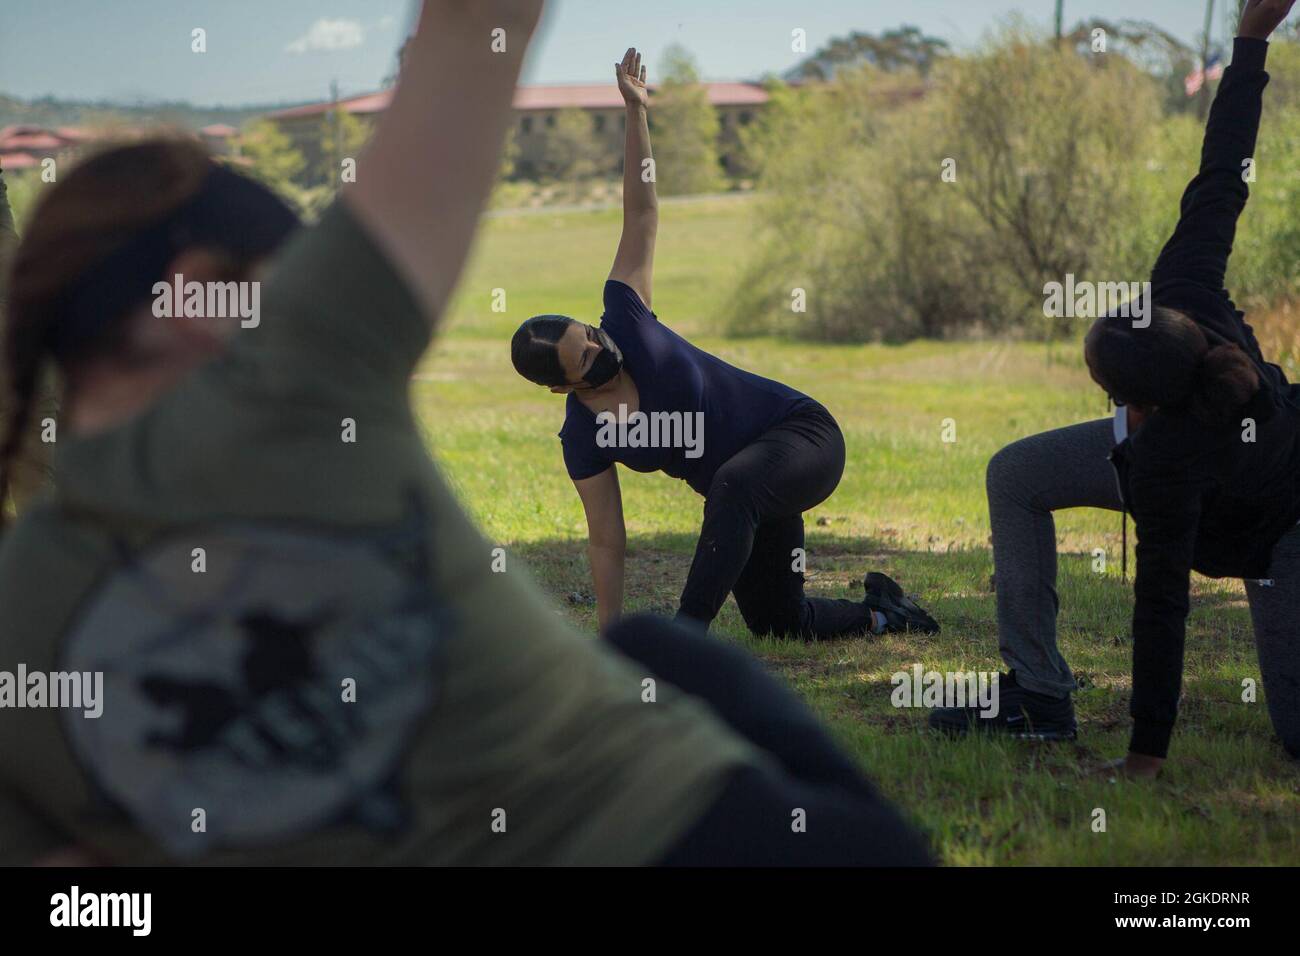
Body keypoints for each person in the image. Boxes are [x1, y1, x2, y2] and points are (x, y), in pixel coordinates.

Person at [0, 1, 931, 866]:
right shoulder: (296, 373)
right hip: (679, 840)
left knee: (664, 650)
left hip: (787, 445)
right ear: (201, 291)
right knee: (670, 654)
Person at [932, 0, 1300, 777]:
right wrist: (1250, 42)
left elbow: (1162, 607)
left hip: (1281, 525)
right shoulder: (1186, 285)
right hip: (1213, 469)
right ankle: (1038, 697)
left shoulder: (1166, 463)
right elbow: (1223, 171)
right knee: (1017, 473)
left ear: (1137, 406)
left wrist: (1144, 756)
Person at [510, 49, 938, 641]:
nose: (599, 346)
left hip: (801, 438)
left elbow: (642, 213)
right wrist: (609, 638)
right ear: (563, 386)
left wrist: (636, 114)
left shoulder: (627, 317)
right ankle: (885, 612)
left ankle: (686, 644)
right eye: (584, 358)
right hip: (744, 494)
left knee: (733, 486)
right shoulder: (584, 436)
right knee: (778, 624)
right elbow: (607, 538)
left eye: (590, 334)